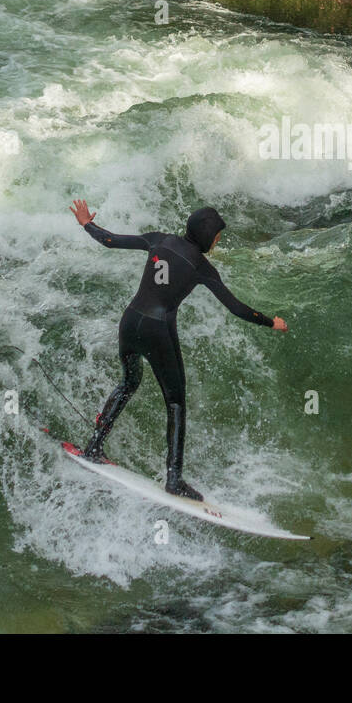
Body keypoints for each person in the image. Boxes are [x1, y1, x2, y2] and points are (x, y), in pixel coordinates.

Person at [69, 202, 287, 499]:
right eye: (217, 236)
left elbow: (111, 240)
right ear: (207, 237)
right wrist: (271, 322)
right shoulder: (201, 266)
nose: (218, 240)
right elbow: (236, 308)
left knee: (129, 383)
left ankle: (93, 447)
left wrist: (86, 223)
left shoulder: (159, 239)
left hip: (130, 322)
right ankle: (174, 479)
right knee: (175, 402)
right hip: (156, 331)